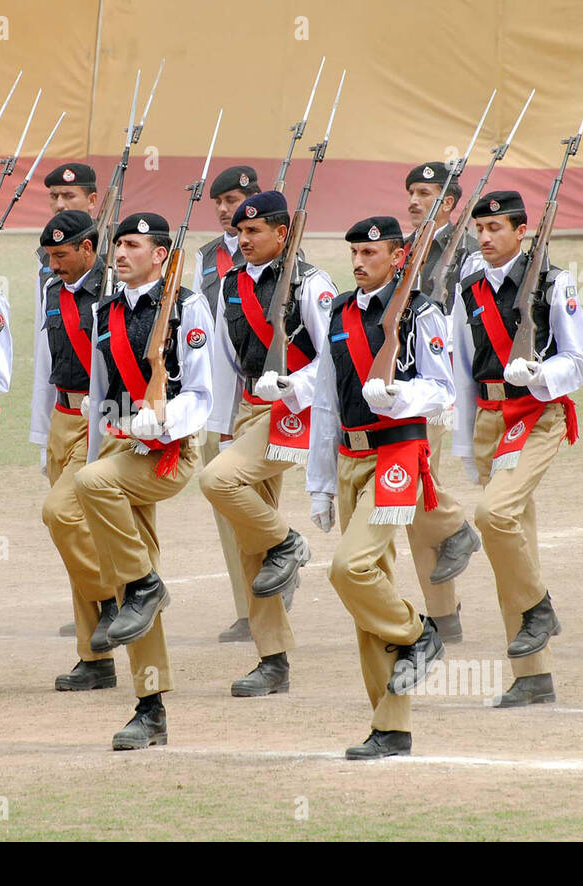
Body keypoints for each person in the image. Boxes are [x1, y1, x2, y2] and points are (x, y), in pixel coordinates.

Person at [308, 216, 452, 759]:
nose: (359, 261)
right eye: (354, 253)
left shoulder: (422, 312)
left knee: (351, 569)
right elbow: (325, 398)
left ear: (397, 257)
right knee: (368, 595)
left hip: (396, 454)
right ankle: (390, 726)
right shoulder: (340, 311)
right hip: (348, 456)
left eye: (370, 252)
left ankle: (419, 632)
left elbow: (442, 391)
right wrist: (320, 482)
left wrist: (399, 398)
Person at [73, 211, 214, 749]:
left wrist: (162, 419)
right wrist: (100, 449)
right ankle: (149, 707)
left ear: (160, 254)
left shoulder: (186, 307)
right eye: (119, 244)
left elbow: (201, 394)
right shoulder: (105, 311)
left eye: (133, 244)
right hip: (122, 446)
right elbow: (100, 391)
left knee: (93, 491)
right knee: (126, 575)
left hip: (169, 450)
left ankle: (145, 587)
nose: (120, 252)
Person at [450, 190, 583, 708]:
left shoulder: (554, 282)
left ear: (521, 231)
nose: (485, 238)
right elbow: (464, 370)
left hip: (536, 416)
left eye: (496, 229)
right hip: (489, 419)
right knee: (511, 540)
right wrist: (465, 444)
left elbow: (578, 362)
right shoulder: (468, 289)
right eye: (479, 229)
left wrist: (539, 374)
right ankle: (532, 674)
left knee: (493, 514)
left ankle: (539, 608)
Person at [200, 190, 333, 697]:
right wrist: (221, 426)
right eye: (239, 231)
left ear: (282, 233)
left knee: (218, 480)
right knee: (248, 539)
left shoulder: (310, 283)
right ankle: (272, 659)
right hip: (251, 414)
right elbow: (224, 358)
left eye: (254, 231)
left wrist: (295, 387)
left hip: (297, 411)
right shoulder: (231, 284)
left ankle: (288, 541)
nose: (244, 239)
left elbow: (333, 354)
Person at [31, 210, 119, 690]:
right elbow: (47, 362)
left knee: (61, 514)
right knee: (72, 538)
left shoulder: (112, 289)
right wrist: (41, 431)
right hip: (62, 420)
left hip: (102, 419)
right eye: (49, 256)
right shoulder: (51, 292)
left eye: (62, 255)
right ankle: (94, 657)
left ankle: (116, 598)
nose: (54, 265)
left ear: (88, 249)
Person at [400, 161, 483, 642]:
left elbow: (467, 327)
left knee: (410, 486)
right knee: (413, 504)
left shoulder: (468, 254)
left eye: (425, 193)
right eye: (410, 191)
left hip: (439, 385)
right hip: (404, 386)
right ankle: (443, 615)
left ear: (449, 203)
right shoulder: (405, 249)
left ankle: (456, 526)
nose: (414, 200)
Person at [191, 164, 260, 642]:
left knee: (252, 492)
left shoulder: (282, 254)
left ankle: (272, 573)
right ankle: (246, 606)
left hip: (265, 392)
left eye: (232, 200)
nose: (222, 209)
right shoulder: (207, 258)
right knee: (222, 498)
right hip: (220, 395)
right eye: (217, 201)